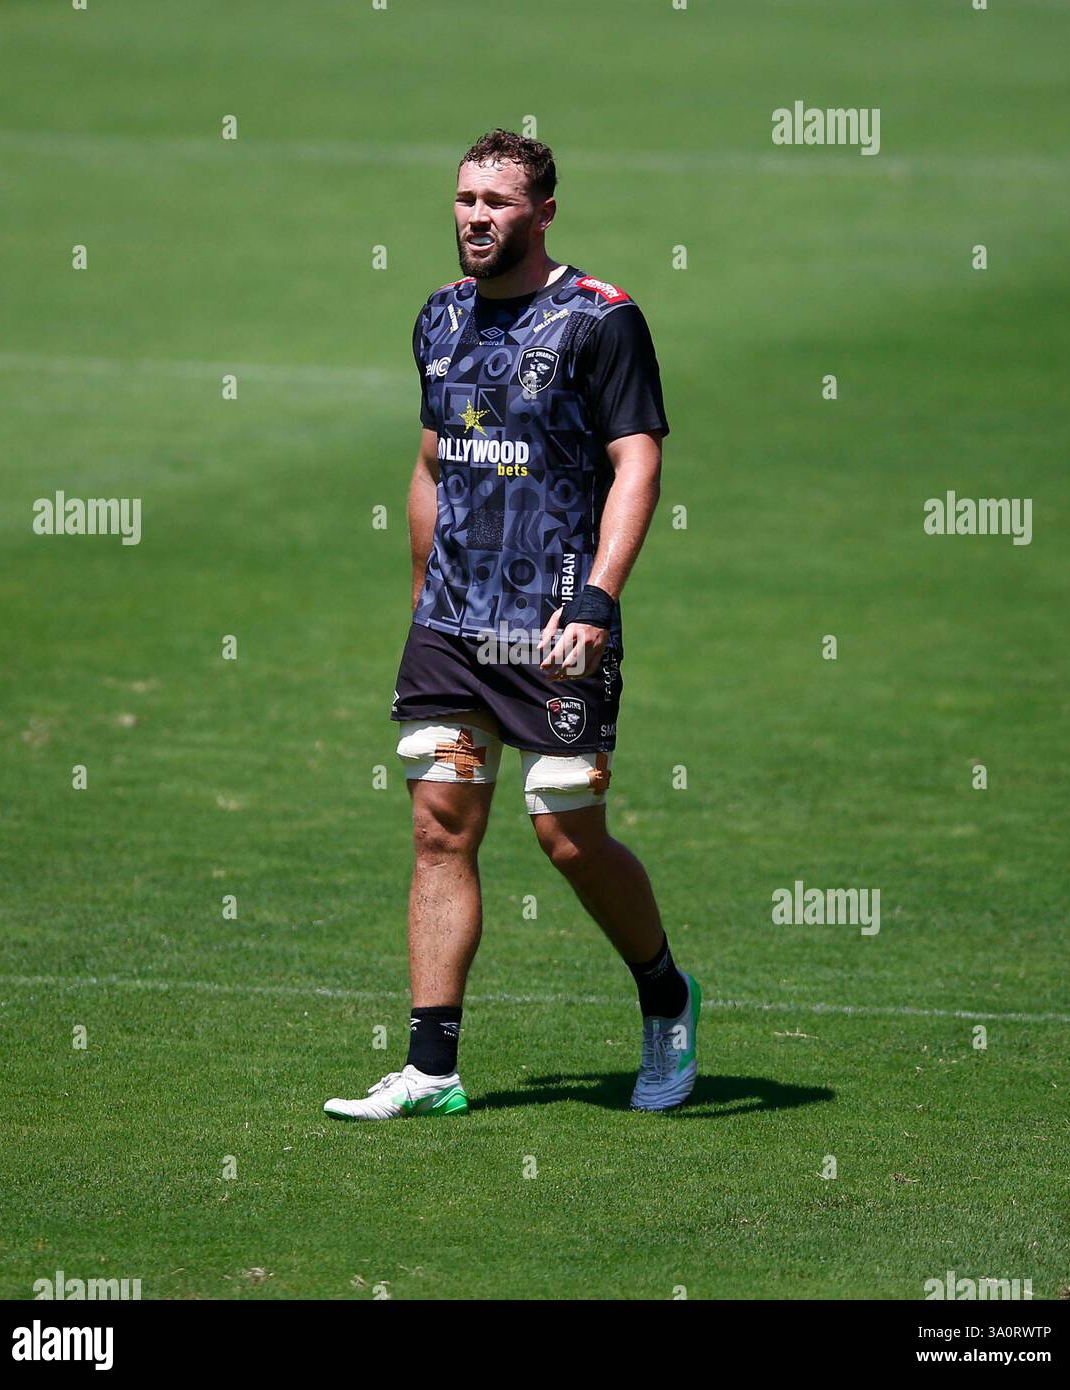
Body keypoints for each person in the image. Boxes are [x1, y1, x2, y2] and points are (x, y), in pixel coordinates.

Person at [325, 129, 699, 1121]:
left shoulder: (599, 322)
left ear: (541, 213)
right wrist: (420, 601)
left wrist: (598, 598)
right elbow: (430, 464)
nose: (474, 216)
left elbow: (637, 463)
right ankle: (431, 1068)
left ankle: (665, 996)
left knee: (565, 828)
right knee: (439, 825)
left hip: (556, 623)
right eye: (462, 199)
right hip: (453, 620)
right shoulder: (437, 320)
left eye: (495, 200)